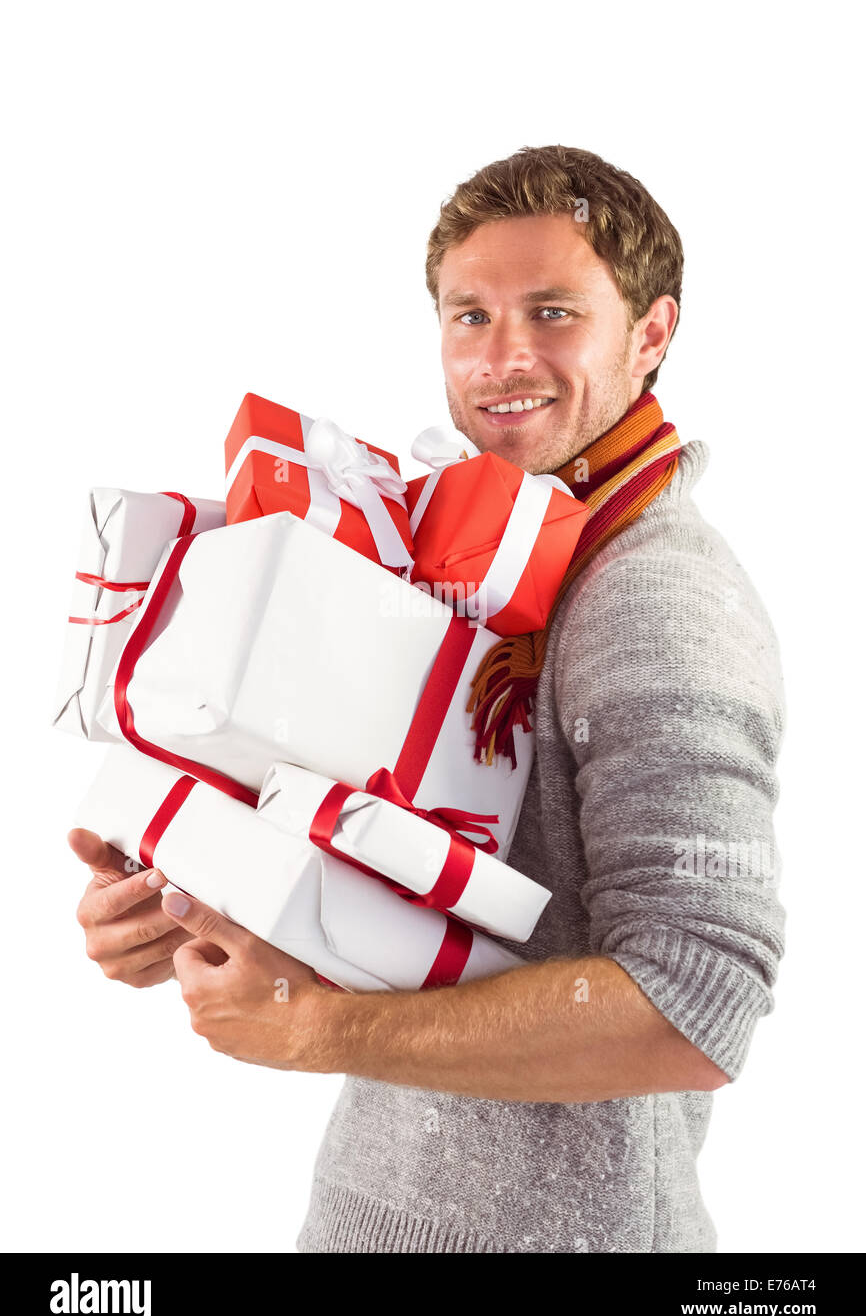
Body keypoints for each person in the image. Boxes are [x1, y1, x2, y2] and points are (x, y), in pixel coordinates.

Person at [69, 144, 786, 1254]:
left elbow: (693, 1007)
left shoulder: (656, 597)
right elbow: (402, 866)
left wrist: (319, 1031)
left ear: (651, 333)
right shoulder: (476, 555)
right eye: (470, 316)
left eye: (553, 312)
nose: (502, 358)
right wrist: (192, 897)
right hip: (371, 1216)